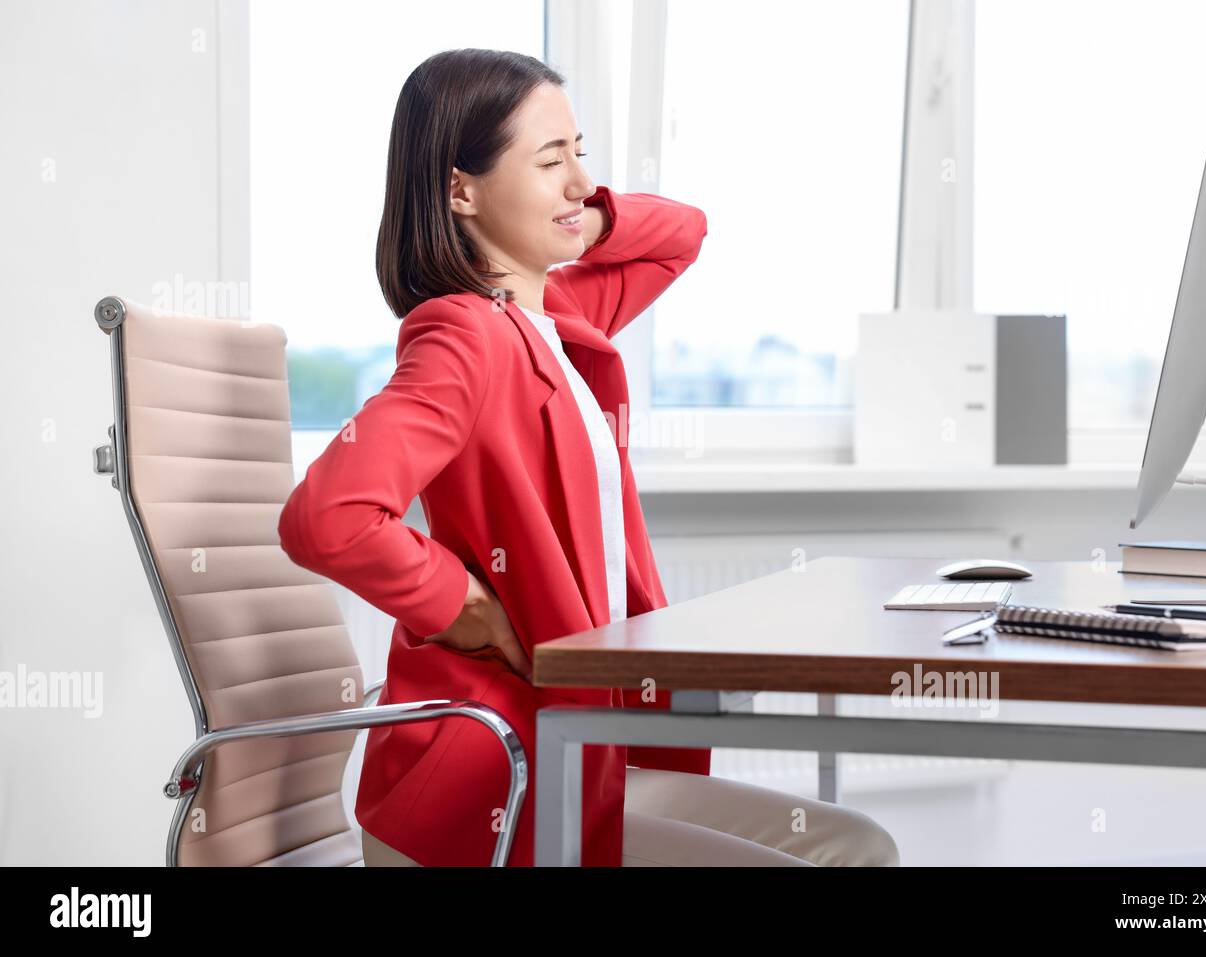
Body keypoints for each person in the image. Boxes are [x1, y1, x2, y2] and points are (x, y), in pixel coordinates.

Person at [279, 47, 899, 867]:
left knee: (857, 844)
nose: (578, 181)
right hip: (490, 786)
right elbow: (327, 516)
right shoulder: (463, 335)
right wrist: (466, 604)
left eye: (581, 154)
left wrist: (581, 215)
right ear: (459, 190)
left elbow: (684, 233)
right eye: (549, 160)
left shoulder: (556, 315)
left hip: (577, 750)